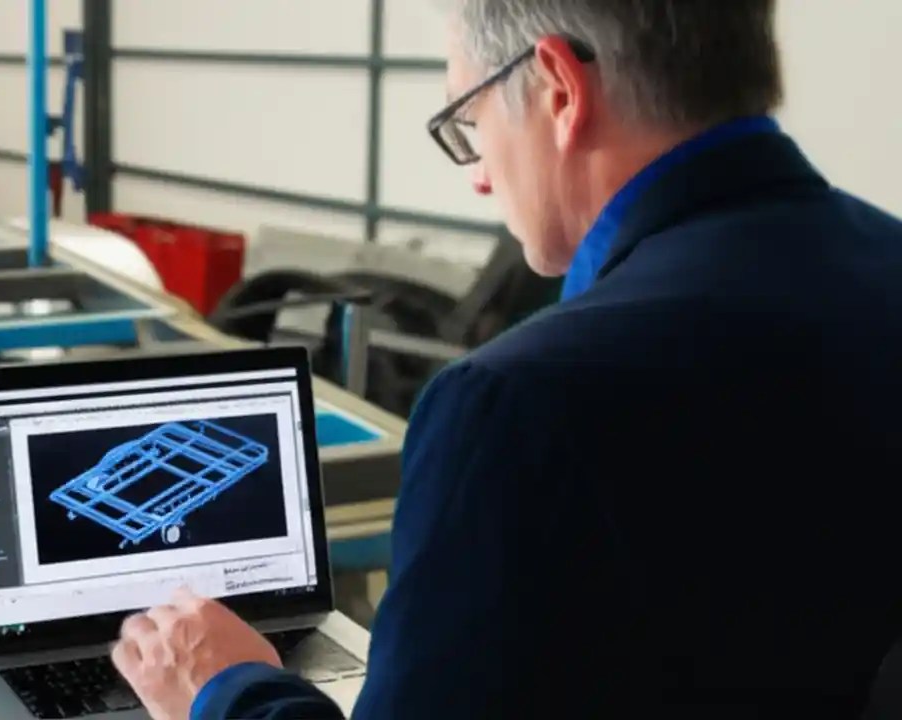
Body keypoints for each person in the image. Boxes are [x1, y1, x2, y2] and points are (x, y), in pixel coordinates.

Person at [110, 1, 902, 717]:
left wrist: (226, 690)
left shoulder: (516, 403)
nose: (482, 175)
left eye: (471, 119)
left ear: (559, 87)